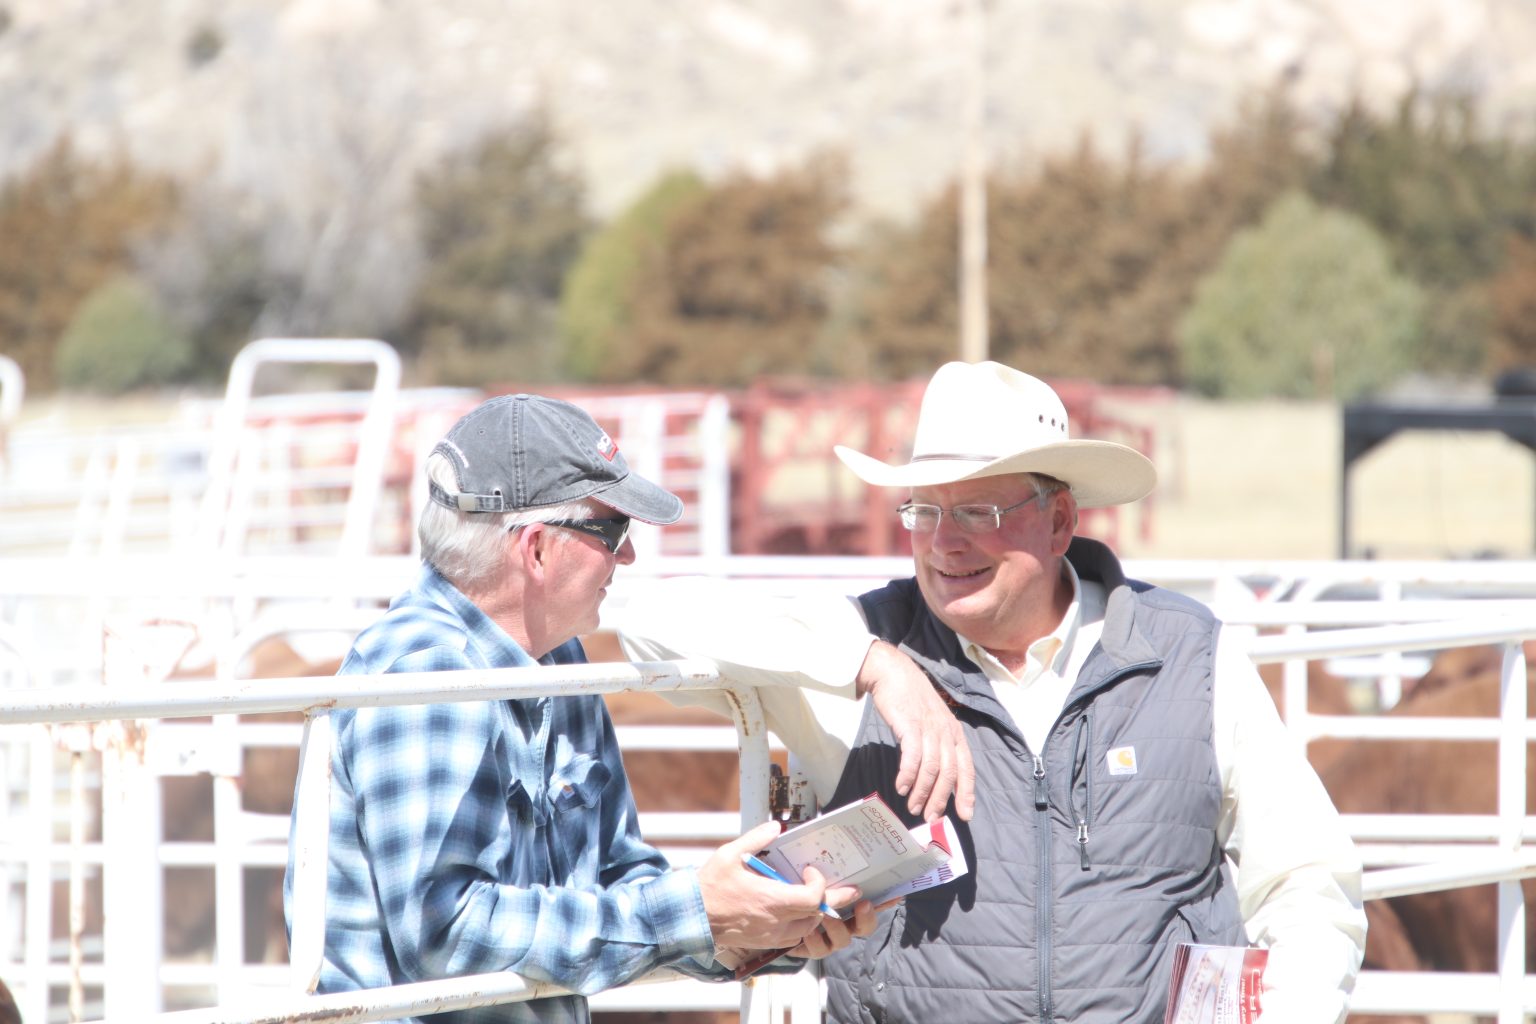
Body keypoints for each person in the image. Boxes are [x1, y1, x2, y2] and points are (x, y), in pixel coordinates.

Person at [618, 361, 1367, 1024]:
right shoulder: (853, 653)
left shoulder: (1189, 657)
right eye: (925, 511)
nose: (945, 542)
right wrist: (876, 663)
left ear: (1060, 521)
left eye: (979, 511)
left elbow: (1308, 882)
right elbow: (635, 614)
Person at [281, 392, 969, 1024]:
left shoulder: (555, 661)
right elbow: (446, 932)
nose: (630, 554)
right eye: (611, 532)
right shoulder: (430, 668)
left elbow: (618, 879)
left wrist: (759, 923)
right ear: (537, 547)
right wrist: (701, 910)